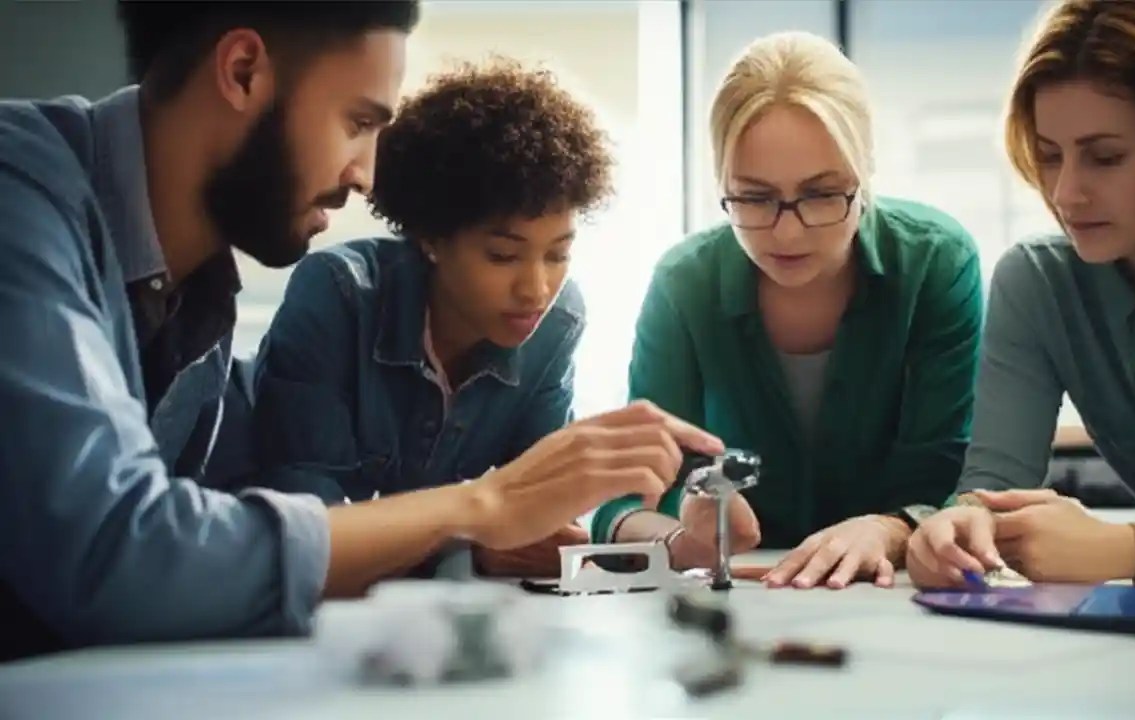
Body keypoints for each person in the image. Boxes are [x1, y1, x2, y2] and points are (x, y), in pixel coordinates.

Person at [0, 2, 721, 661]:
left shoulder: (196, 292)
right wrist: (483, 506)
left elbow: (183, 565)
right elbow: (116, 558)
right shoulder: (20, 198)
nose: (368, 176)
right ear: (243, 71)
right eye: (358, 121)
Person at [908, 0, 1135, 589]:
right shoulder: (1039, 285)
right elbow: (990, 493)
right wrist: (955, 531)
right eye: (1050, 155)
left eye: (1106, 158)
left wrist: (1129, 550)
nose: (1066, 192)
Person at [592, 31, 983, 590]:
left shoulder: (937, 264)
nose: (788, 230)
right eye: (754, 198)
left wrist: (888, 529)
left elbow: (957, 479)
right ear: (721, 182)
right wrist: (682, 540)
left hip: (891, 592)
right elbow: (623, 499)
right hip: (747, 599)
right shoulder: (685, 284)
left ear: (865, 172)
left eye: (823, 194)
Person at [250, 58, 615, 578]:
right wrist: (466, 549)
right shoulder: (337, 294)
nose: (536, 289)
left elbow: (541, 504)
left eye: (557, 254)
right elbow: (308, 515)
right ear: (430, 238)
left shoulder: (557, 324)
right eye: (502, 256)